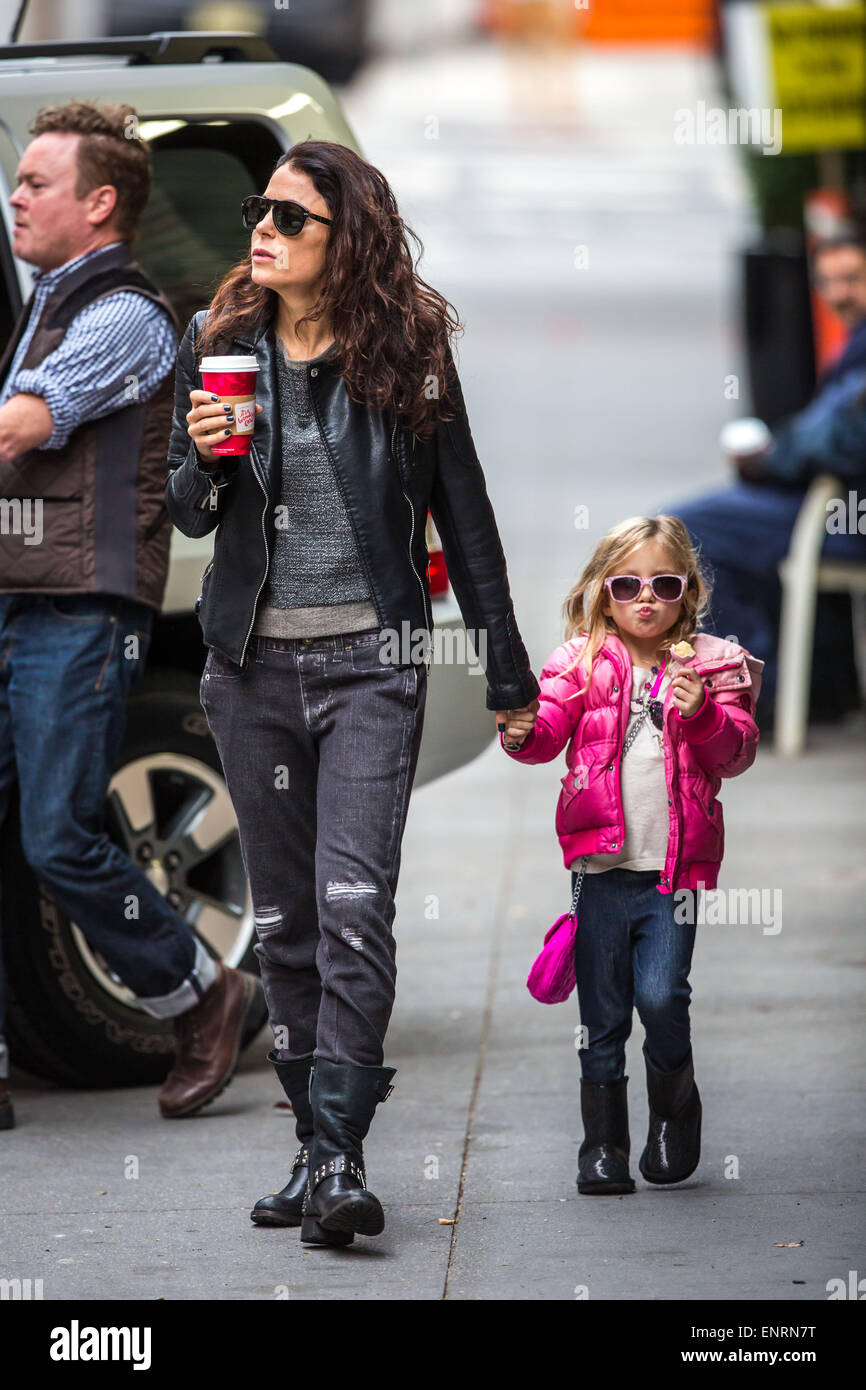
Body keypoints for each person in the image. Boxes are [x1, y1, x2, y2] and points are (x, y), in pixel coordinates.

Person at [165, 139, 540, 1245]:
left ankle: (338, 1156)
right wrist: (201, 457)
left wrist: (507, 673)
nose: (261, 232)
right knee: (281, 923)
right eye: (256, 213)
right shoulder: (221, 339)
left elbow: (461, 517)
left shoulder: (405, 348)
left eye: (287, 217)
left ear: (347, 237)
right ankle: (310, 1150)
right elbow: (188, 515)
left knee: (351, 909)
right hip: (251, 672)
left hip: (371, 664)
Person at [0, 101, 263, 1132]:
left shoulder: (125, 314)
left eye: (36, 182)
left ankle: (200, 992)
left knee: (62, 835)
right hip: (23, 602)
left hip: (84, 610)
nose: (15, 196)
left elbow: (22, 427)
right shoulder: (47, 300)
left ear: (99, 203)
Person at [500, 516, 762, 1193]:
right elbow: (547, 732)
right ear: (604, 591)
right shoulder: (580, 662)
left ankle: (675, 1112)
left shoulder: (712, 664)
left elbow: (735, 753)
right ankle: (603, 1145)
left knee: (662, 995)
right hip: (601, 876)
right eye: (627, 584)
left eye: (664, 584)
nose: (645, 598)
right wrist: (522, 729)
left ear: (689, 591)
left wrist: (702, 710)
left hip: (671, 876)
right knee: (604, 1014)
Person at [668, 231, 866, 728]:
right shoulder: (853, 343)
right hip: (830, 505)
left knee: (687, 531)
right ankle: (791, 688)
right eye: (829, 282)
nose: (840, 293)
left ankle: (750, 696)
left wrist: (772, 457)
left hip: (847, 519)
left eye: (854, 278)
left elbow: (844, 434)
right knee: (703, 527)